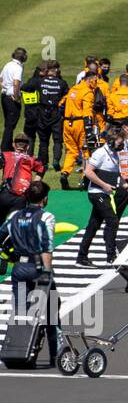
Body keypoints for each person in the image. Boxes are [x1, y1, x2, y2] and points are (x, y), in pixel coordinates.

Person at [0, 182, 59, 367]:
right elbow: (46, 246)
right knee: (51, 311)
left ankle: (17, 355)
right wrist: (47, 273)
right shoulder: (46, 217)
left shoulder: (13, 216)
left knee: (21, 312)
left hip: (18, 268)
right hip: (37, 268)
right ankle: (55, 356)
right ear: (45, 199)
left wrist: (6, 255)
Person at [80, 126, 128, 268]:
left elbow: (116, 175)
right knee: (112, 220)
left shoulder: (115, 154)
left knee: (93, 225)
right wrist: (104, 185)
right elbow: (88, 172)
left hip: (104, 192)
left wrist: (127, 187)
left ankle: (82, 256)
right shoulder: (100, 153)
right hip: (96, 193)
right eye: (119, 143)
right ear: (110, 142)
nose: (121, 146)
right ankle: (111, 256)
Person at [0, 133, 45, 223]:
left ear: (13, 145)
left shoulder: (5, 155)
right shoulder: (31, 159)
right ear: (27, 147)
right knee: (17, 226)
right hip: (21, 197)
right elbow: (42, 169)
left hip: (5, 194)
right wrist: (34, 184)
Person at [1, 47, 27, 152]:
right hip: (11, 98)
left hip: (4, 97)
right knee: (10, 125)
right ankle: (5, 148)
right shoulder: (18, 67)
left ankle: (7, 146)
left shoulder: (8, 64)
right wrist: (16, 98)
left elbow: (0, 79)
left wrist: (5, 88)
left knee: (8, 123)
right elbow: (16, 84)